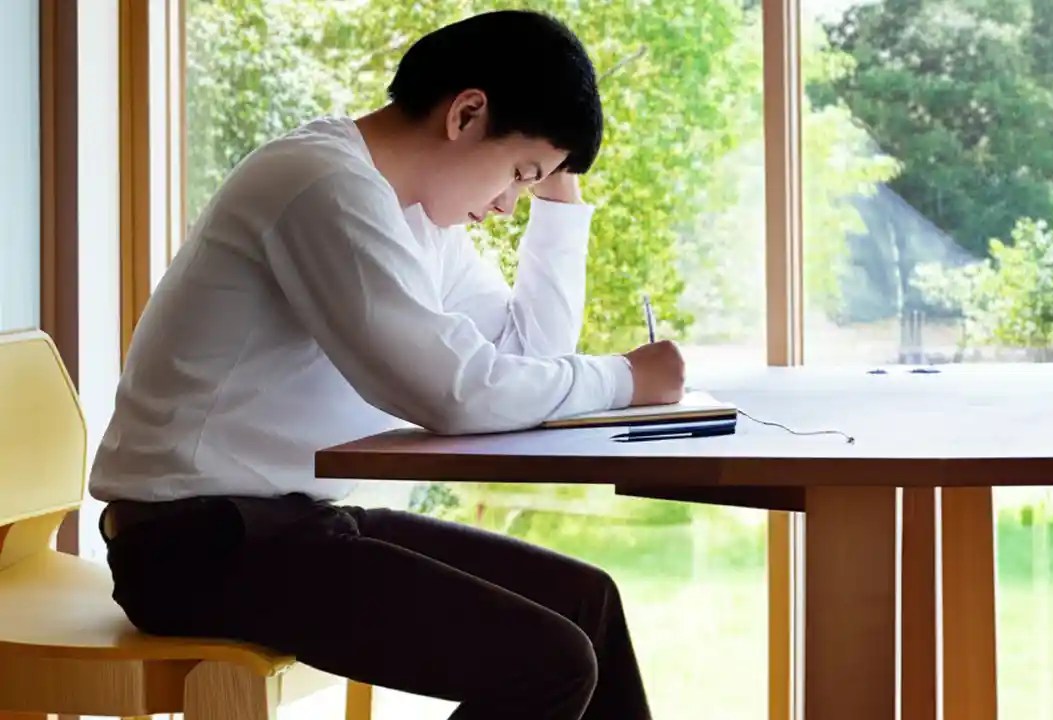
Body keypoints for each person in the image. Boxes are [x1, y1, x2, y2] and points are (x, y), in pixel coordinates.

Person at [89, 10, 684, 720]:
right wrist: (625, 377)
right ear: (466, 113)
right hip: (193, 549)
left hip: (285, 526)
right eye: (518, 175)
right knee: (549, 663)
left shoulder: (411, 217)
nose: (504, 206)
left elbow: (527, 359)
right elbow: (455, 394)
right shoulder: (320, 184)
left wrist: (559, 191)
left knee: (590, 605)